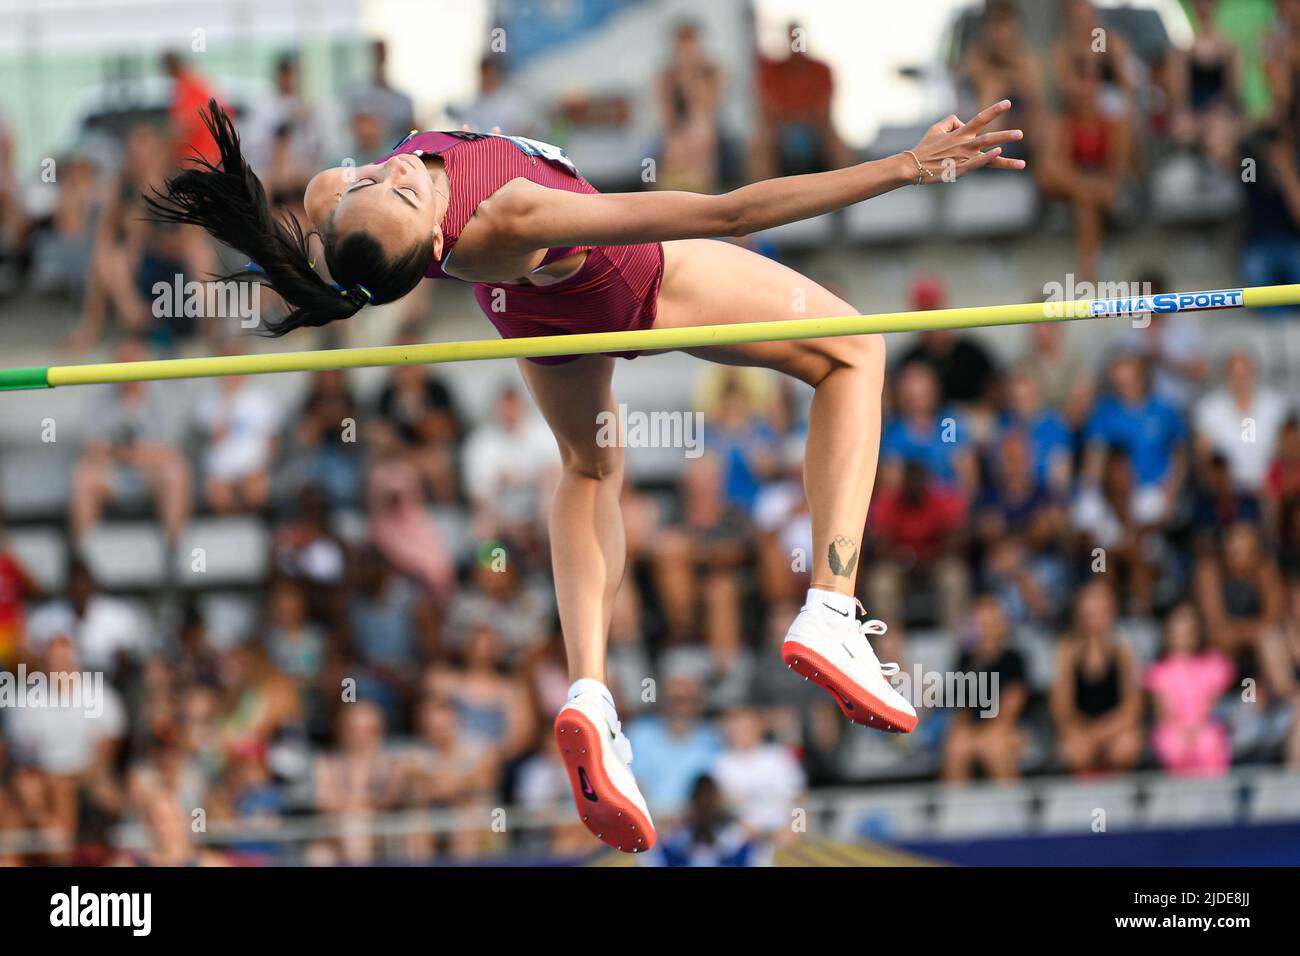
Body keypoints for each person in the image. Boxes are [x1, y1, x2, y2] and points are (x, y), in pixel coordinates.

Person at [146, 97, 1027, 853]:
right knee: (855, 352)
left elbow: (348, 224)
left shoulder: (336, 200)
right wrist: (906, 166)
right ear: (429, 245)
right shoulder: (513, 215)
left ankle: (592, 697)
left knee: (590, 464)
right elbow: (726, 215)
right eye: (407, 196)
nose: (399, 179)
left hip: (529, 314)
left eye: (395, 182)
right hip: (629, 287)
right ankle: (832, 608)